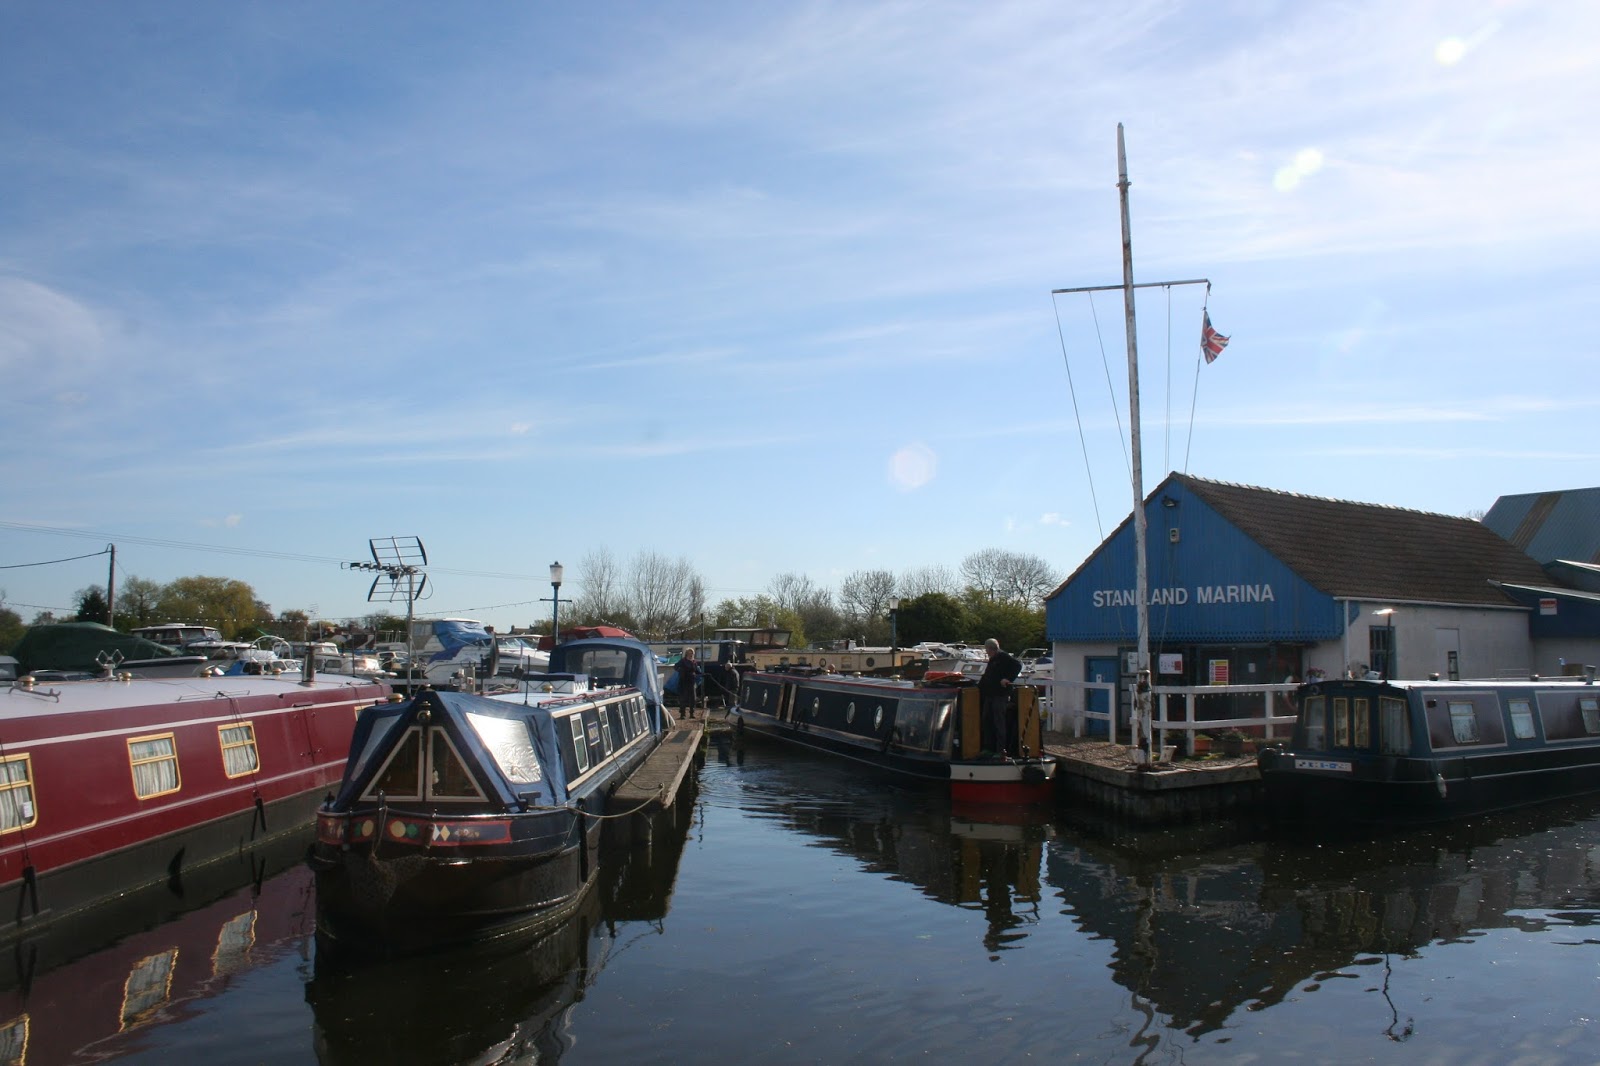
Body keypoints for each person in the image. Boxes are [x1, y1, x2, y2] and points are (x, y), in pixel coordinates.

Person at [977, 638, 1022, 756]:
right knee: (987, 720)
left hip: (1000, 695)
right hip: (989, 694)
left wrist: (1008, 679)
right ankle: (988, 747)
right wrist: (978, 687)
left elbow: (1017, 665)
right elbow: (988, 675)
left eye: (987, 649)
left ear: (991, 649)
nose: (987, 652)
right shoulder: (993, 659)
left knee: (999, 722)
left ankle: (1000, 749)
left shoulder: (1004, 657)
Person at [675, 647, 702, 718]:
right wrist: (681, 671)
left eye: (692, 653)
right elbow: (676, 666)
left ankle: (692, 713)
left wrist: (702, 674)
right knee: (683, 698)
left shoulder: (694, 662)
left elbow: (696, 670)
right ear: (686, 654)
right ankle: (682, 714)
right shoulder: (683, 661)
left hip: (691, 681)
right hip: (683, 681)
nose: (691, 655)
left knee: (692, 698)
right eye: (689, 653)